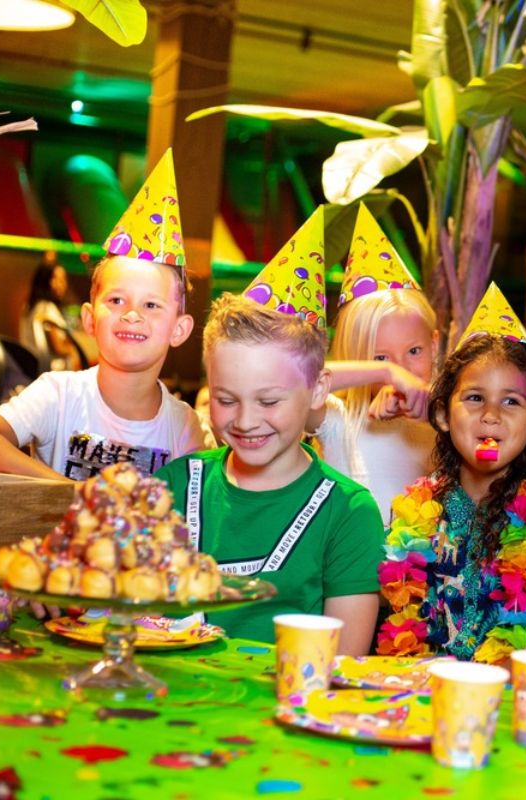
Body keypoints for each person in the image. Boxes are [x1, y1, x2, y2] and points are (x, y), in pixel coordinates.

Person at [156, 215, 383, 652]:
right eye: (226, 399)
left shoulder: (348, 514)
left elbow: (344, 661)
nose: (244, 420)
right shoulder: (173, 487)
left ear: (318, 389)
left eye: (268, 401)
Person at [0, 151, 205, 480]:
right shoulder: (59, 394)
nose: (131, 314)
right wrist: (69, 491)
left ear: (179, 329)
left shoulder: (183, 426)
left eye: (151, 305)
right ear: (89, 319)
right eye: (116, 300)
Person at [376, 284, 526, 665]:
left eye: (511, 401)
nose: (491, 414)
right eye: (475, 398)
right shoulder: (413, 512)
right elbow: (397, 616)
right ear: (442, 414)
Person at [313, 205, 437, 522]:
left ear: (435, 345)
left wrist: (433, 413)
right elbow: (296, 383)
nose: (401, 371)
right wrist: (385, 374)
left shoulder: (447, 421)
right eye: (380, 357)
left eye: (414, 351)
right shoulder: (336, 419)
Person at [20, 252, 83, 372]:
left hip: (31, 368)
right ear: (44, 280)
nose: (62, 285)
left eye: (63, 280)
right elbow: (58, 347)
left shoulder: (29, 307)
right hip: (53, 373)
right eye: (56, 279)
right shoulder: (47, 308)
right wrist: (74, 350)